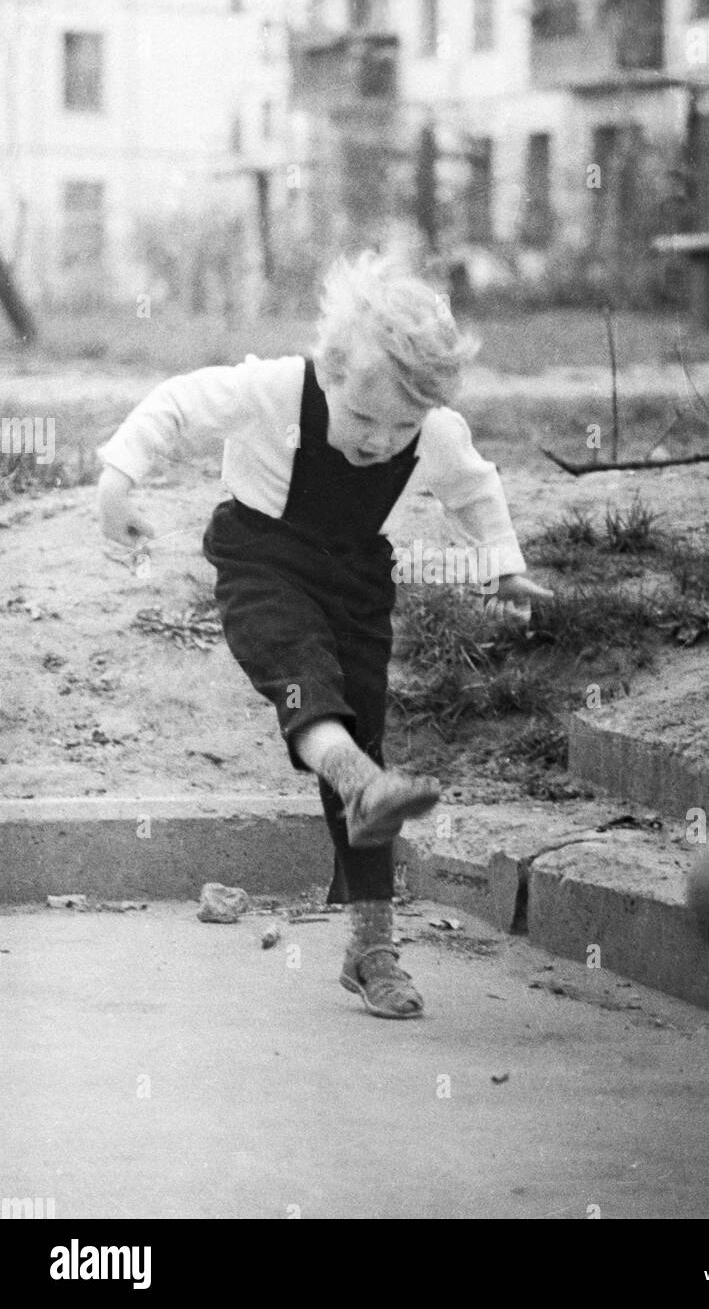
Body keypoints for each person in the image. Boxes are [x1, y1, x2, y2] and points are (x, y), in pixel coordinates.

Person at [97, 251, 553, 1019]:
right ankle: (357, 783)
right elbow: (177, 404)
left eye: (400, 425)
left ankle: (371, 946)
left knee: (361, 736)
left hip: (355, 581)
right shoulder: (276, 389)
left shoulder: (433, 433)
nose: (380, 442)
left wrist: (503, 567)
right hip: (259, 559)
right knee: (306, 685)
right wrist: (118, 481)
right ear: (329, 371)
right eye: (364, 418)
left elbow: (475, 487)